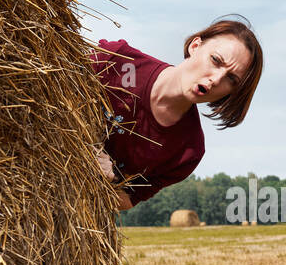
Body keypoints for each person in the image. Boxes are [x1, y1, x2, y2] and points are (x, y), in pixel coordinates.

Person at [87, 16, 263, 210]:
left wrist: (103, 182)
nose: (216, 78)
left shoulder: (188, 151)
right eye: (215, 60)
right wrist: (83, 154)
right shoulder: (118, 61)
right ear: (195, 46)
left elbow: (127, 200)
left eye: (231, 79)